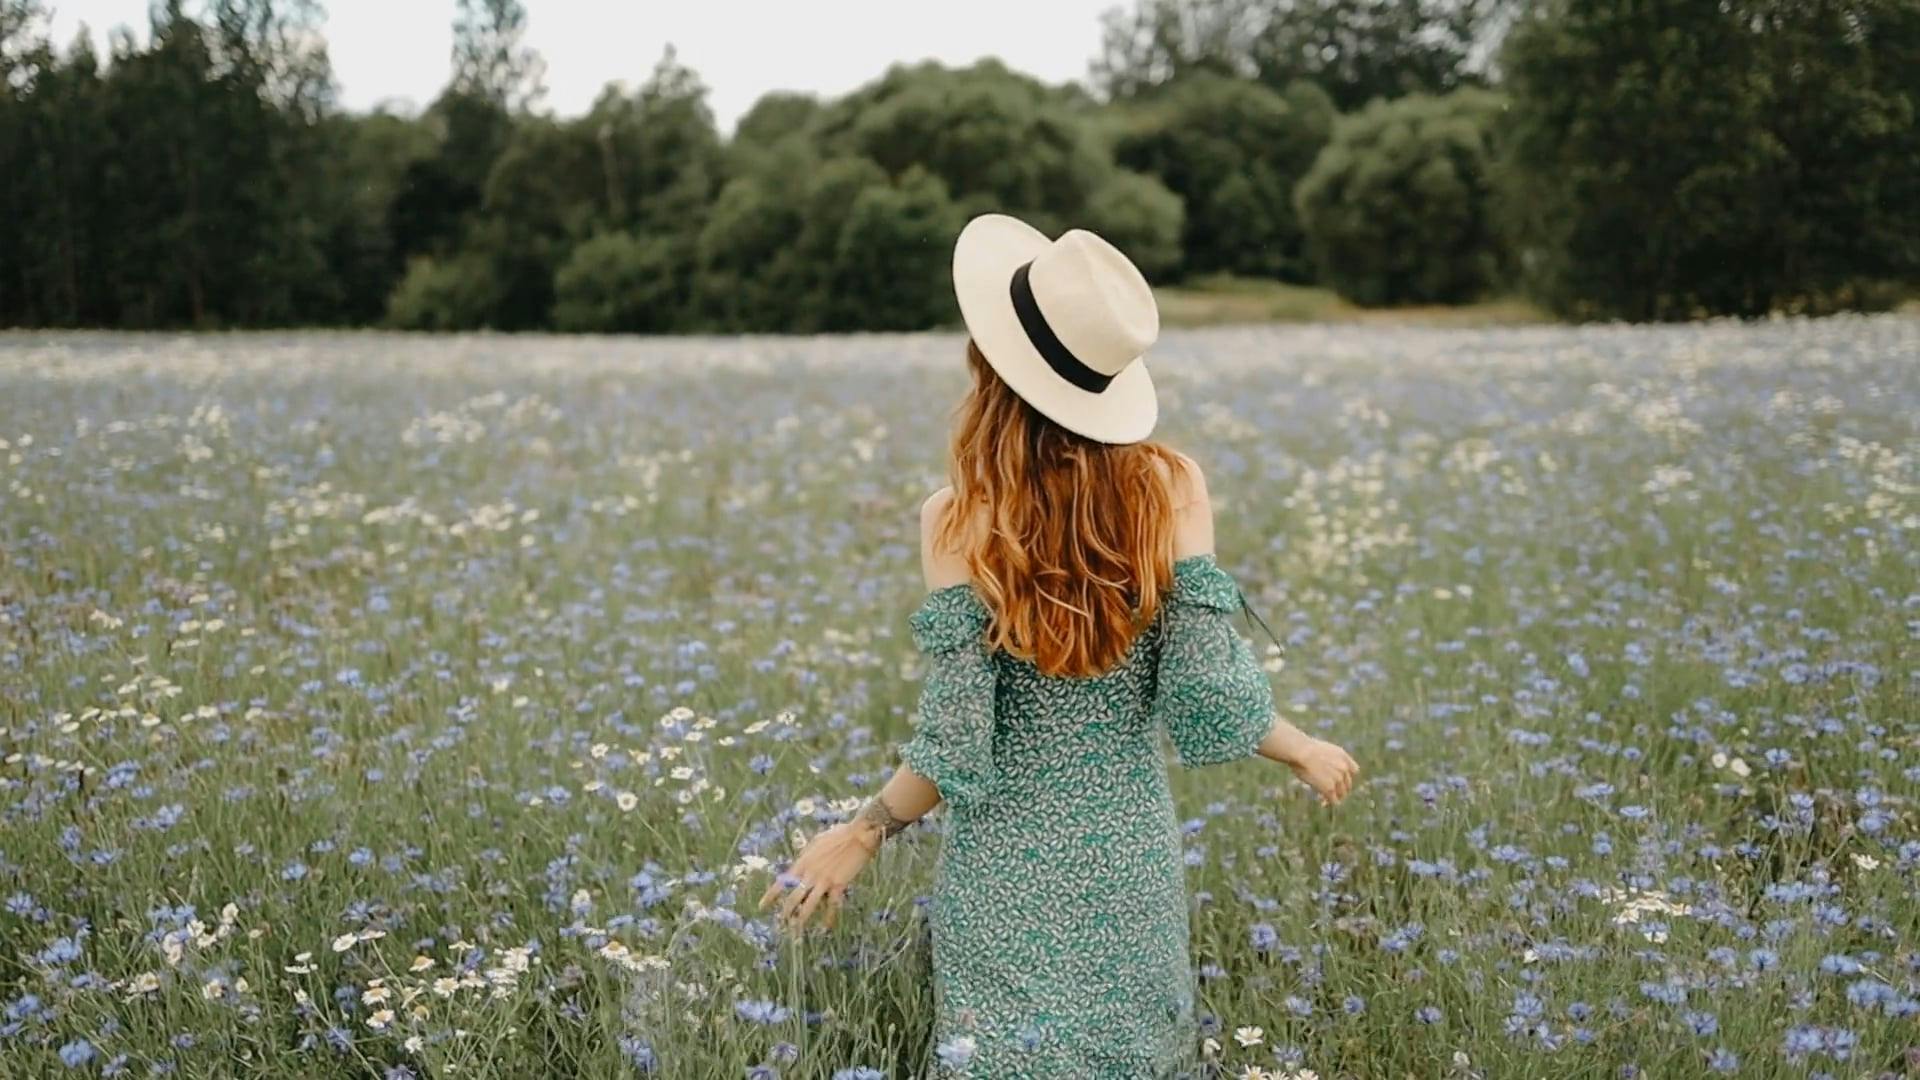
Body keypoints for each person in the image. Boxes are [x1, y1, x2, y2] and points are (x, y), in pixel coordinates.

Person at [758, 212, 1360, 1078]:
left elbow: (960, 738)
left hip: (1003, 871)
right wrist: (1299, 747)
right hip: (1128, 864)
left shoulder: (956, 518)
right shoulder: (1171, 487)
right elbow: (1204, 689)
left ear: (989, 364)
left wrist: (865, 831)